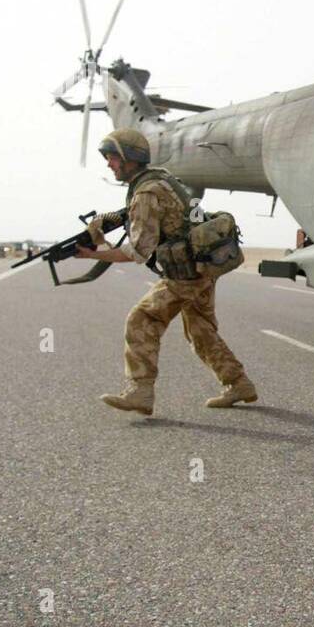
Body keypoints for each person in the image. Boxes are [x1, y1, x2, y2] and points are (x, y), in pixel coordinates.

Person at [77, 129, 256, 416]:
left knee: (142, 318)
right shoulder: (158, 179)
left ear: (129, 158)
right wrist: (108, 221)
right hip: (203, 267)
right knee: (201, 330)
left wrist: (93, 254)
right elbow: (147, 215)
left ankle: (140, 391)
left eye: (112, 158)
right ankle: (238, 384)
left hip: (186, 273)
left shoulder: (146, 191)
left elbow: (138, 251)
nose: (109, 164)